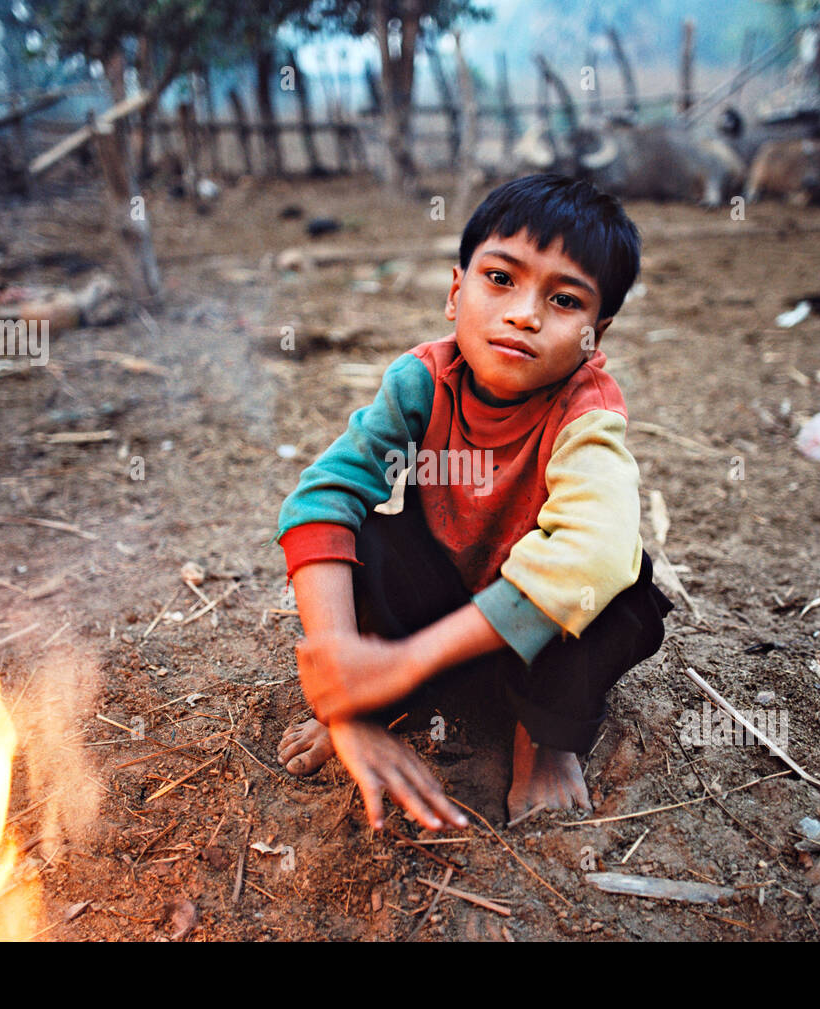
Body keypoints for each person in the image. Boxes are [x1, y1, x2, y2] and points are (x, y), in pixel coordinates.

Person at [274, 173, 673, 832]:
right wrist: (343, 689)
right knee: (374, 536)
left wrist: (405, 661)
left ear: (593, 336)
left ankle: (541, 738)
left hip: (538, 642)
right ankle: (366, 703)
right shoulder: (423, 382)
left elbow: (593, 552)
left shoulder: (587, 412)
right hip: (446, 611)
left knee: (622, 594)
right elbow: (321, 497)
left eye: (564, 299)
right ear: (456, 292)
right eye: (501, 279)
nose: (525, 313)